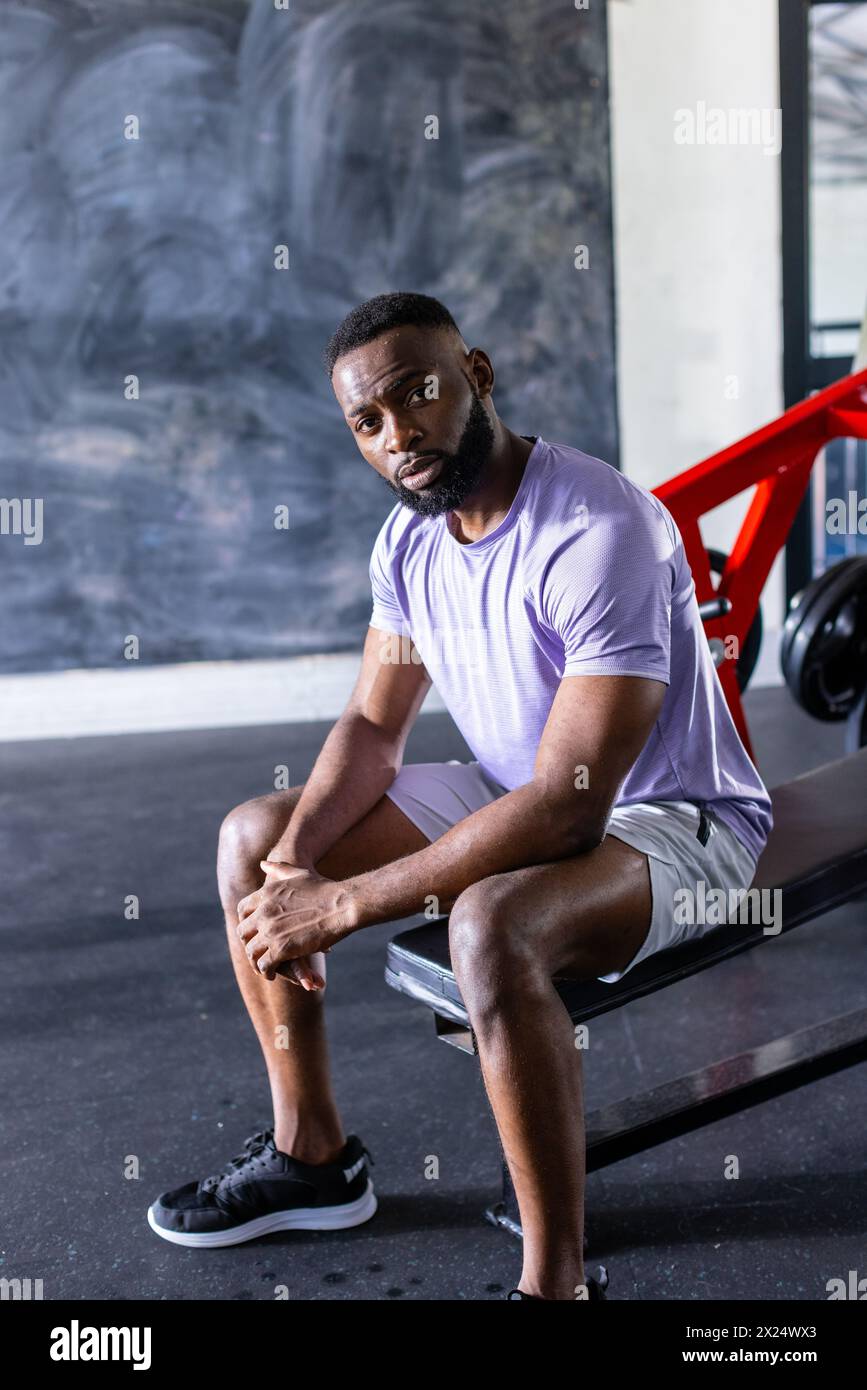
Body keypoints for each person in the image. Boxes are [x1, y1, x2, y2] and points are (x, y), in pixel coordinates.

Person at [148, 291, 773, 1301]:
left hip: (675, 820)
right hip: (514, 785)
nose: (401, 436)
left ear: (474, 374)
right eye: (369, 422)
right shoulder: (410, 545)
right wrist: (298, 865)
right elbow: (372, 726)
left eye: (417, 395)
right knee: (250, 838)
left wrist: (344, 903)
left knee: (489, 926)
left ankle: (555, 1282)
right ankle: (312, 1159)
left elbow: (573, 806)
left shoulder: (598, 527)